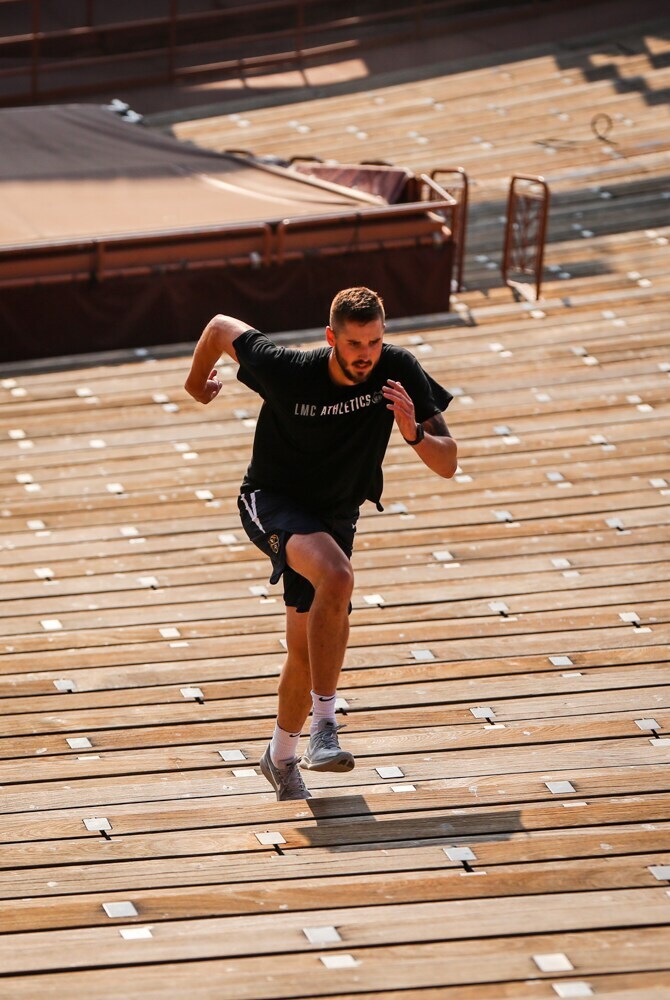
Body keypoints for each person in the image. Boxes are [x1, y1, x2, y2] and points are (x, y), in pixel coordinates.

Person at [185, 287, 457, 800]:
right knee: (337, 575)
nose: (366, 354)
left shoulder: (397, 371)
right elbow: (220, 325)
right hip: (272, 501)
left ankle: (280, 757)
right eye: (355, 343)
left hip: (336, 515)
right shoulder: (289, 369)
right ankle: (325, 729)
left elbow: (449, 463)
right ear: (332, 337)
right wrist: (197, 384)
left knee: (307, 649)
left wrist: (414, 436)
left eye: (375, 341)